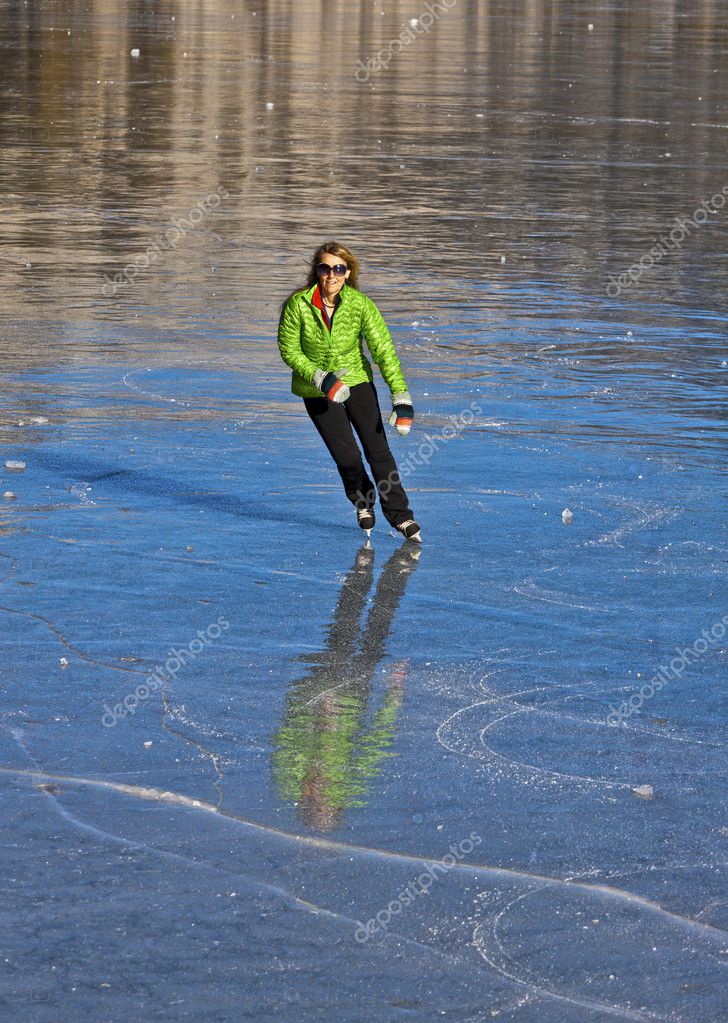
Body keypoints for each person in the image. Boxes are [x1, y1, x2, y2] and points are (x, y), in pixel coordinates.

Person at [277, 241, 422, 542]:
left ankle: (400, 515)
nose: (332, 275)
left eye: (339, 269)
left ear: (348, 272)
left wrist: (401, 395)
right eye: (325, 268)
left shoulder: (359, 304)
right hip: (317, 390)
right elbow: (289, 350)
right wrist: (321, 378)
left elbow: (383, 350)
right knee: (346, 454)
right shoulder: (298, 305)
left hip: (356, 380)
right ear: (316, 271)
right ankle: (363, 503)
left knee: (378, 451)